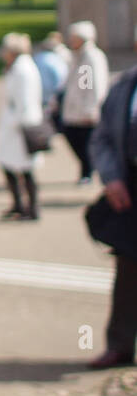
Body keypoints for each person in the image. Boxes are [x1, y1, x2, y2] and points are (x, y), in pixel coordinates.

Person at [85, 49, 137, 369]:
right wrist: (112, 178)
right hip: (130, 188)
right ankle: (119, 345)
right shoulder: (124, 87)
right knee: (128, 269)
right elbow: (101, 138)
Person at [0, 32, 45, 220]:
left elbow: (24, 101)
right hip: (17, 123)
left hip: (21, 125)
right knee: (12, 164)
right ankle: (20, 204)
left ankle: (30, 207)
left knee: (24, 168)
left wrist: (17, 122)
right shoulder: (18, 67)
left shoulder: (23, 69)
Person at [61, 21, 110, 184]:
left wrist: (89, 109)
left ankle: (88, 170)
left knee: (84, 142)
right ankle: (86, 170)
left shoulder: (89, 58)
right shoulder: (79, 56)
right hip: (77, 109)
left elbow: (89, 86)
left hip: (84, 111)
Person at [34, 31, 69, 128]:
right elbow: (61, 78)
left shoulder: (37, 58)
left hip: (40, 93)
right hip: (52, 94)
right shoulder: (55, 59)